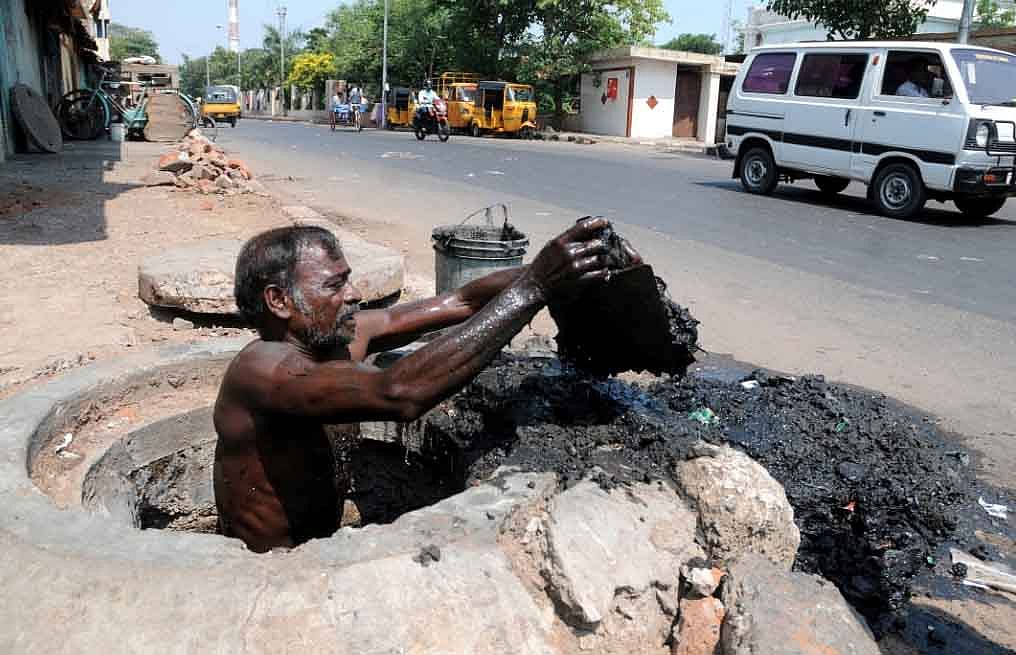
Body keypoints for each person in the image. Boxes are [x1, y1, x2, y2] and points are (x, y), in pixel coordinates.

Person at [213, 219, 625, 553]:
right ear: (279, 301)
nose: (354, 294)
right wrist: (534, 290)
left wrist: (563, 267)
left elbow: (459, 302)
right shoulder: (263, 370)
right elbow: (399, 392)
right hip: (270, 571)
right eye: (334, 285)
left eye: (348, 279)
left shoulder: (338, 341)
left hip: (321, 544)